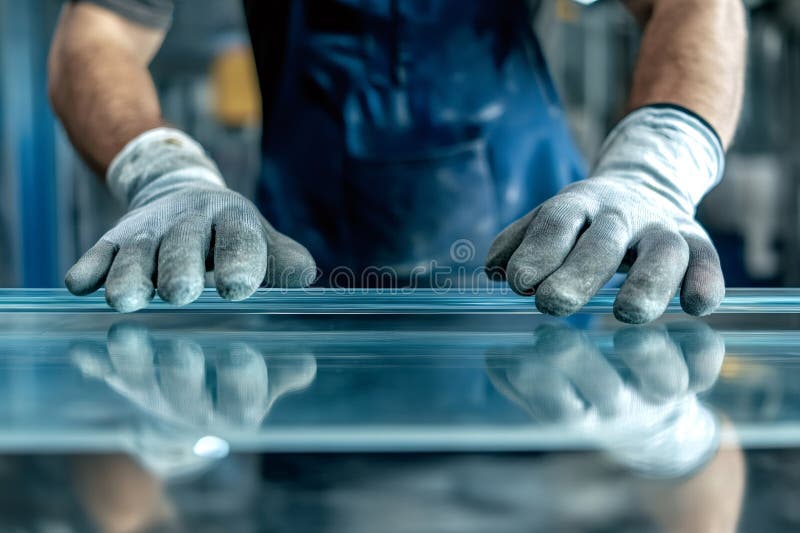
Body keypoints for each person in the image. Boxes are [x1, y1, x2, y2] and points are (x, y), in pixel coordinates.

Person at [48, 0, 746, 323]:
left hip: (549, 286)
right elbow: (100, 32)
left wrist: (651, 171)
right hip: (308, 288)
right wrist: (164, 171)